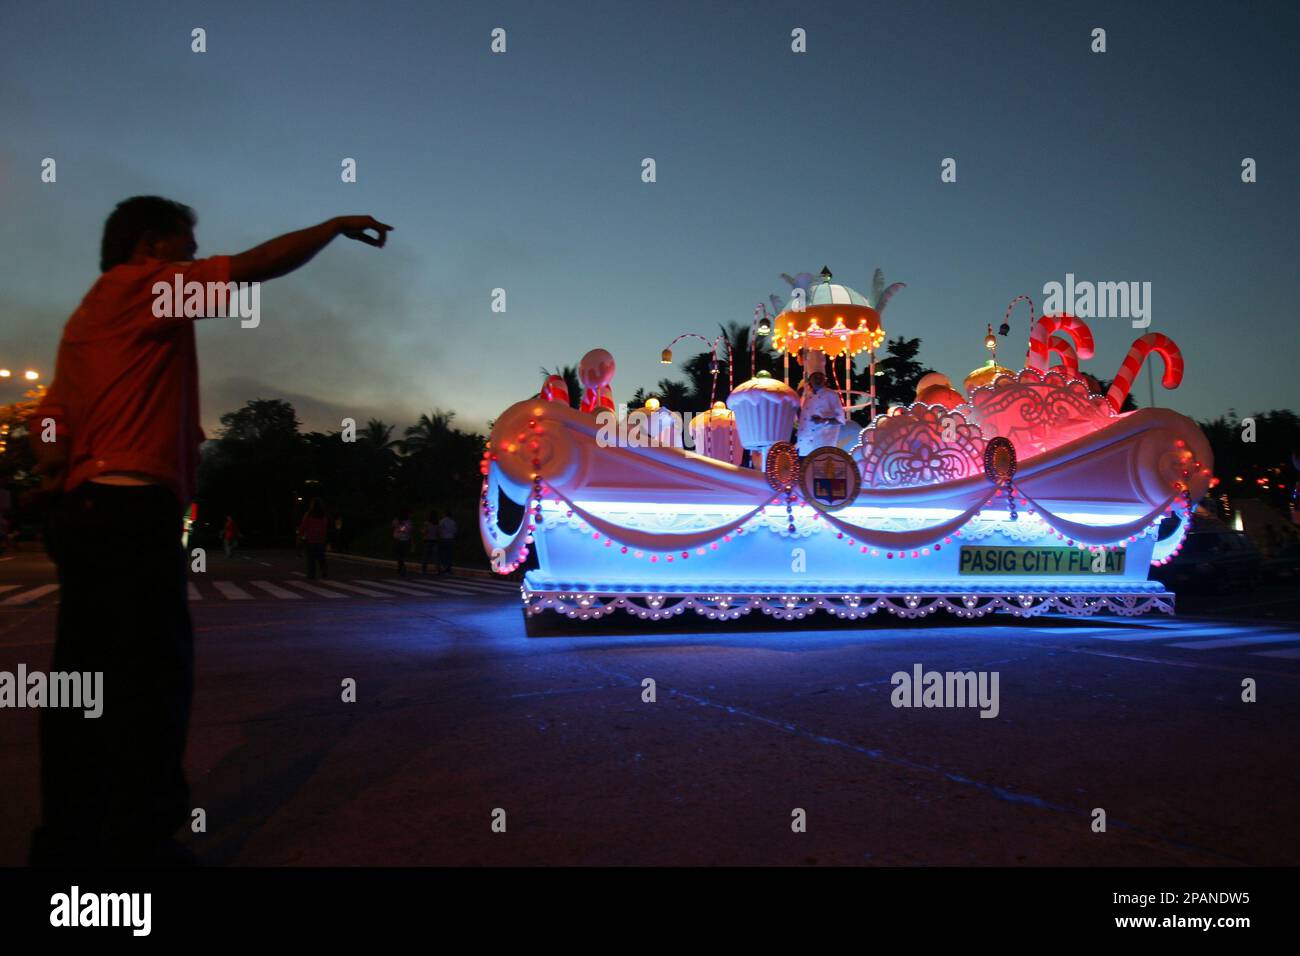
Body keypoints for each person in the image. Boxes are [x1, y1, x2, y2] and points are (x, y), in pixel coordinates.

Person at [29, 197, 392, 867]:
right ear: (149, 246)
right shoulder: (143, 288)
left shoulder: (90, 317)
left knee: (82, 682)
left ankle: (69, 847)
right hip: (131, 510)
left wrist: (62, 478)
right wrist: (333, 227)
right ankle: (139, 845)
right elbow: (252, 268)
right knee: (151, 679)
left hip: (85, 511)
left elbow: (49, 431)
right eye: (185, 245)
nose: (195, 259)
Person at [796, 371, 846, 456]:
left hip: (823, 441)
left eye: (820, 377)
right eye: (815, 377)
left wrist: (823, 420)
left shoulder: (831, 394)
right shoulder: (808, 395)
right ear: (810, 380)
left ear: (824, 380)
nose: (818, 380)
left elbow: (840, 419)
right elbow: (802, 417)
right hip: (805, 442)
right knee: (805, 467)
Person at [298, 498, 329, 579]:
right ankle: (324, 571)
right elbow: (325, 527)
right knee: (321, 557)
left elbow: (303, 526)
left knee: (311, 558)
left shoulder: (308, 514)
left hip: (310, 539)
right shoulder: (323, 515)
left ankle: (311, 574)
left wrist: (300, 535)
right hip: (320, 539)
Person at [392, 508, 413, 576]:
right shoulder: (408, 522)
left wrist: (399, 528)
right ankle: (401, 567)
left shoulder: (397, 521)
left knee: (399, 554)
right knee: (402, 554)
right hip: (404, 540)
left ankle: (401, 567)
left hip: (399, 539)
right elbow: (409, 531)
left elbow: (394, 527)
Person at [437, 510, 458, 574]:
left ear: (444, 514)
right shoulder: (453, 522)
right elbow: (455, 531)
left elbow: (439, 530)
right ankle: (449, 567)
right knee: (450, 554)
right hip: (451, 538)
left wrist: (440, 536)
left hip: (444, 538)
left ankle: (444, 567)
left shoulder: (442, 521)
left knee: (443, 554)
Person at [421, 510, 439, 575]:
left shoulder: (427, 523)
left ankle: (424, 570)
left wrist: (422, 531)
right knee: (435, 557)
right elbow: (438, 532)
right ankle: (437, 569)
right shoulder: (437, 523)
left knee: (425, 556)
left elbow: (425, 531)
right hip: (435, 541)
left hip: (427, 541)